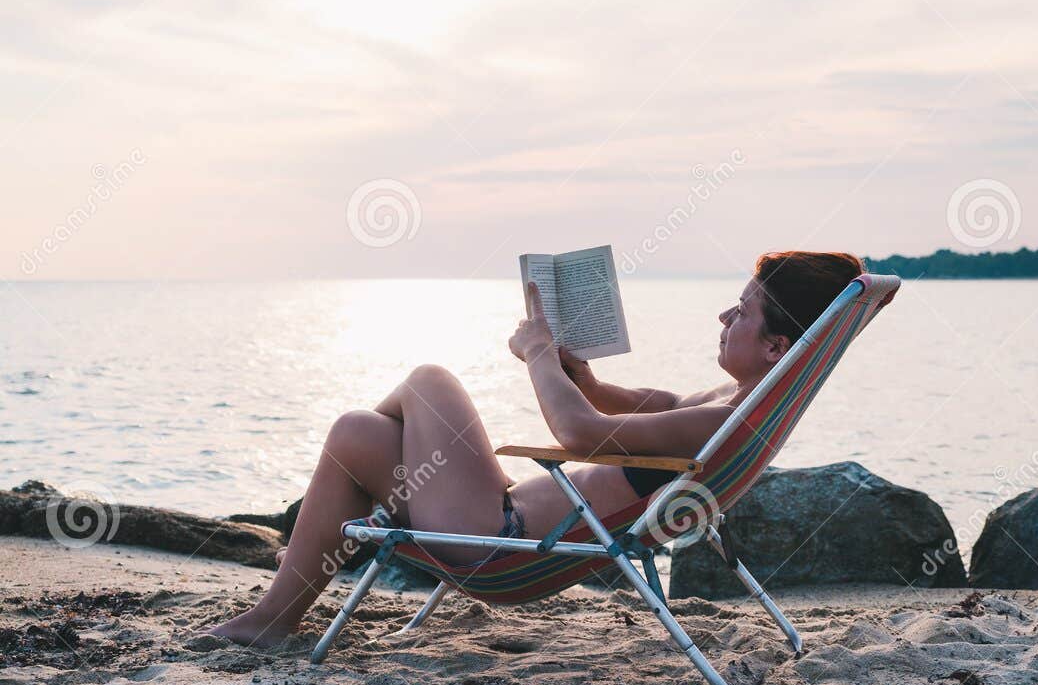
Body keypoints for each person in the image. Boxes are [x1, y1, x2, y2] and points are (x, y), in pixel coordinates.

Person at [208, 250, 863, 646]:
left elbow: (576, 435)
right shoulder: (728, 409)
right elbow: (652, 406)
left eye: (741, 313)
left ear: (777, 347)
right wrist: (587, 379)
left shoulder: (724, 420)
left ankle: (379, 519)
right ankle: (275, 617)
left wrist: (538, 354)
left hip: (500, 541)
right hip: (495, 522)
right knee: (356, 431)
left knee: (428, 380)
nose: (724, 318)